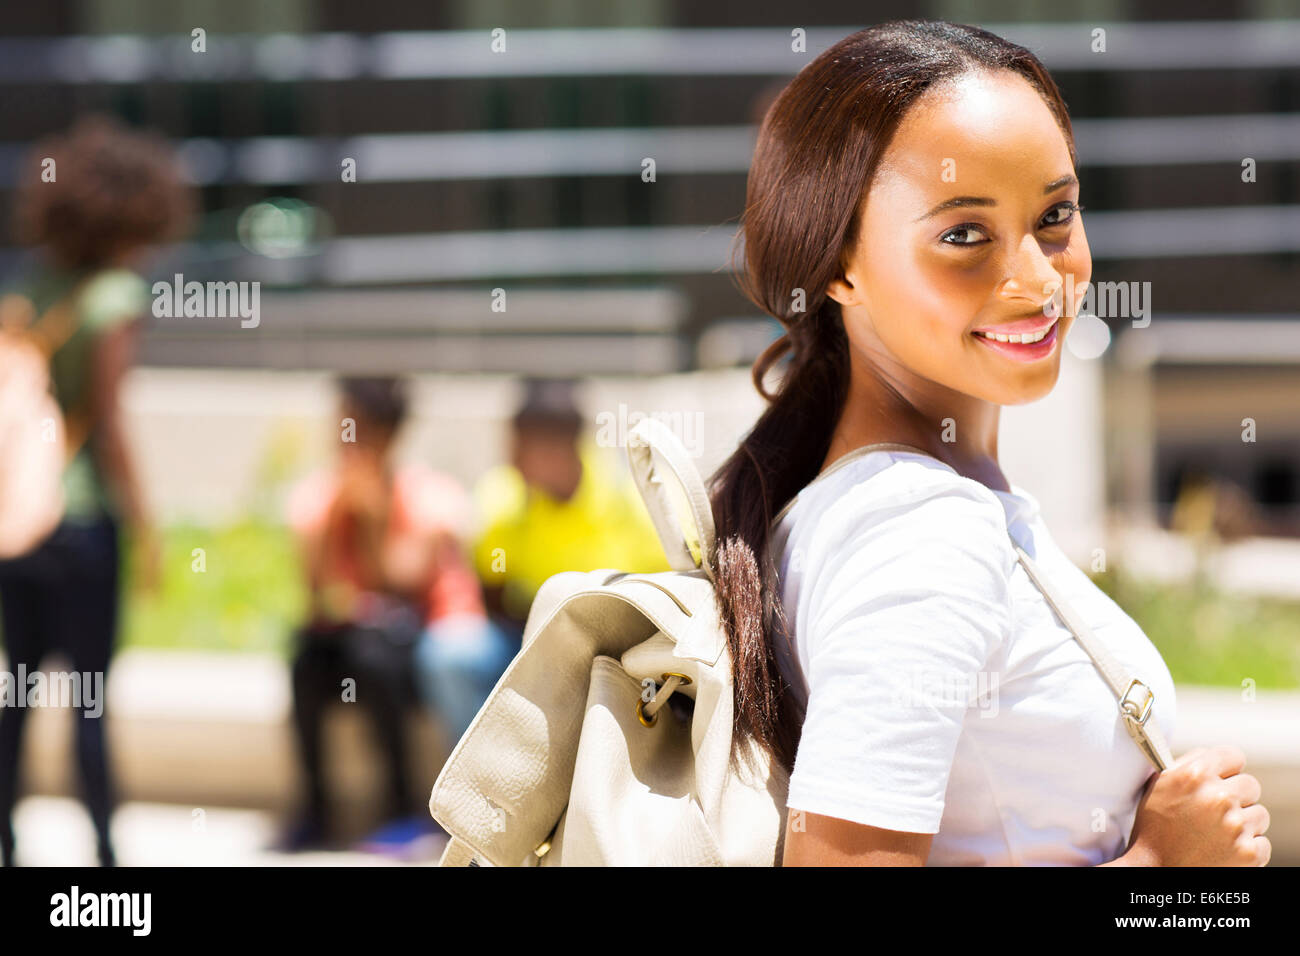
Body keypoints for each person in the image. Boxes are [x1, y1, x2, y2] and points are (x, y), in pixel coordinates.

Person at [707, 20, 1270, 867]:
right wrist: (1161, 866)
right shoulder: (918, 533)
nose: (1040, 280)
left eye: (1055, 215)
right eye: (963, 235)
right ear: (840, 267)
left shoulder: (892, 501)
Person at [0, 116, 194, 867]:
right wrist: (146, 526)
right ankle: (106, 857)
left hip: (17, 519)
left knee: (16, 690)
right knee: (87, 697)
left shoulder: (30, 288)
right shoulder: (115, 296)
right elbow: (109, 427)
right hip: (79, 522)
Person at [281, 375, 480, 854]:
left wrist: (371, 521)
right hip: (356, 644)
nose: (345, 440)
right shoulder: (322, 496)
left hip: (418, 644)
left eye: (357, 428)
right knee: (306, 660)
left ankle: (403, 808)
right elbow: (316, 592)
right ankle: (315, 809)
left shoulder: (427, 496)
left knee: (374, 658)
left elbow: (399, 581)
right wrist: (332, 522)